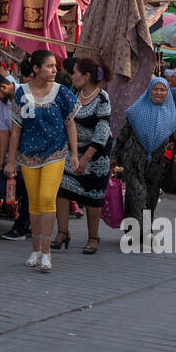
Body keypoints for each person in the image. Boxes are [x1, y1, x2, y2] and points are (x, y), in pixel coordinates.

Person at [4, 50, 79, 272]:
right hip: (28, 155)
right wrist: (10, 161)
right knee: (34, 203)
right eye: (49, 66)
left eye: (55, 66)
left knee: (47, 198)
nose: (54, 70)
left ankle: (46, 252)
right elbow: (15, 131)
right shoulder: (22, 94)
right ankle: (35, 249)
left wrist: (74, 153)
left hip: (55, 153)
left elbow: (70, 124)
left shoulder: (61, 92)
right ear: (35, 69)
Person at [111, 77, 176, 243]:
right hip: (133, 159)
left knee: (150, 197)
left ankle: (136, 229)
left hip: (156, 163)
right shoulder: (136, 111)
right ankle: (142, 233)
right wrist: (114, 156)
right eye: (155, 89)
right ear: (149, 91)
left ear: (167, 93)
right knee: (138, 194)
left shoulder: (170, 115)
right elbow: (122, 135)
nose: (159, 92)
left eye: (162, 90)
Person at [56, 58, 112, 254]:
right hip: (73, 152)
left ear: (86, 76)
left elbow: (102, 131)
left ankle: (93, 238)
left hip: (95, 155)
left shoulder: (102, 98)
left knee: (93, 196)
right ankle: (63, 232)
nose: (73, 77)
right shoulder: (73, 94)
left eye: (76, 73)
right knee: (61, 189)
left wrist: (86, 158)